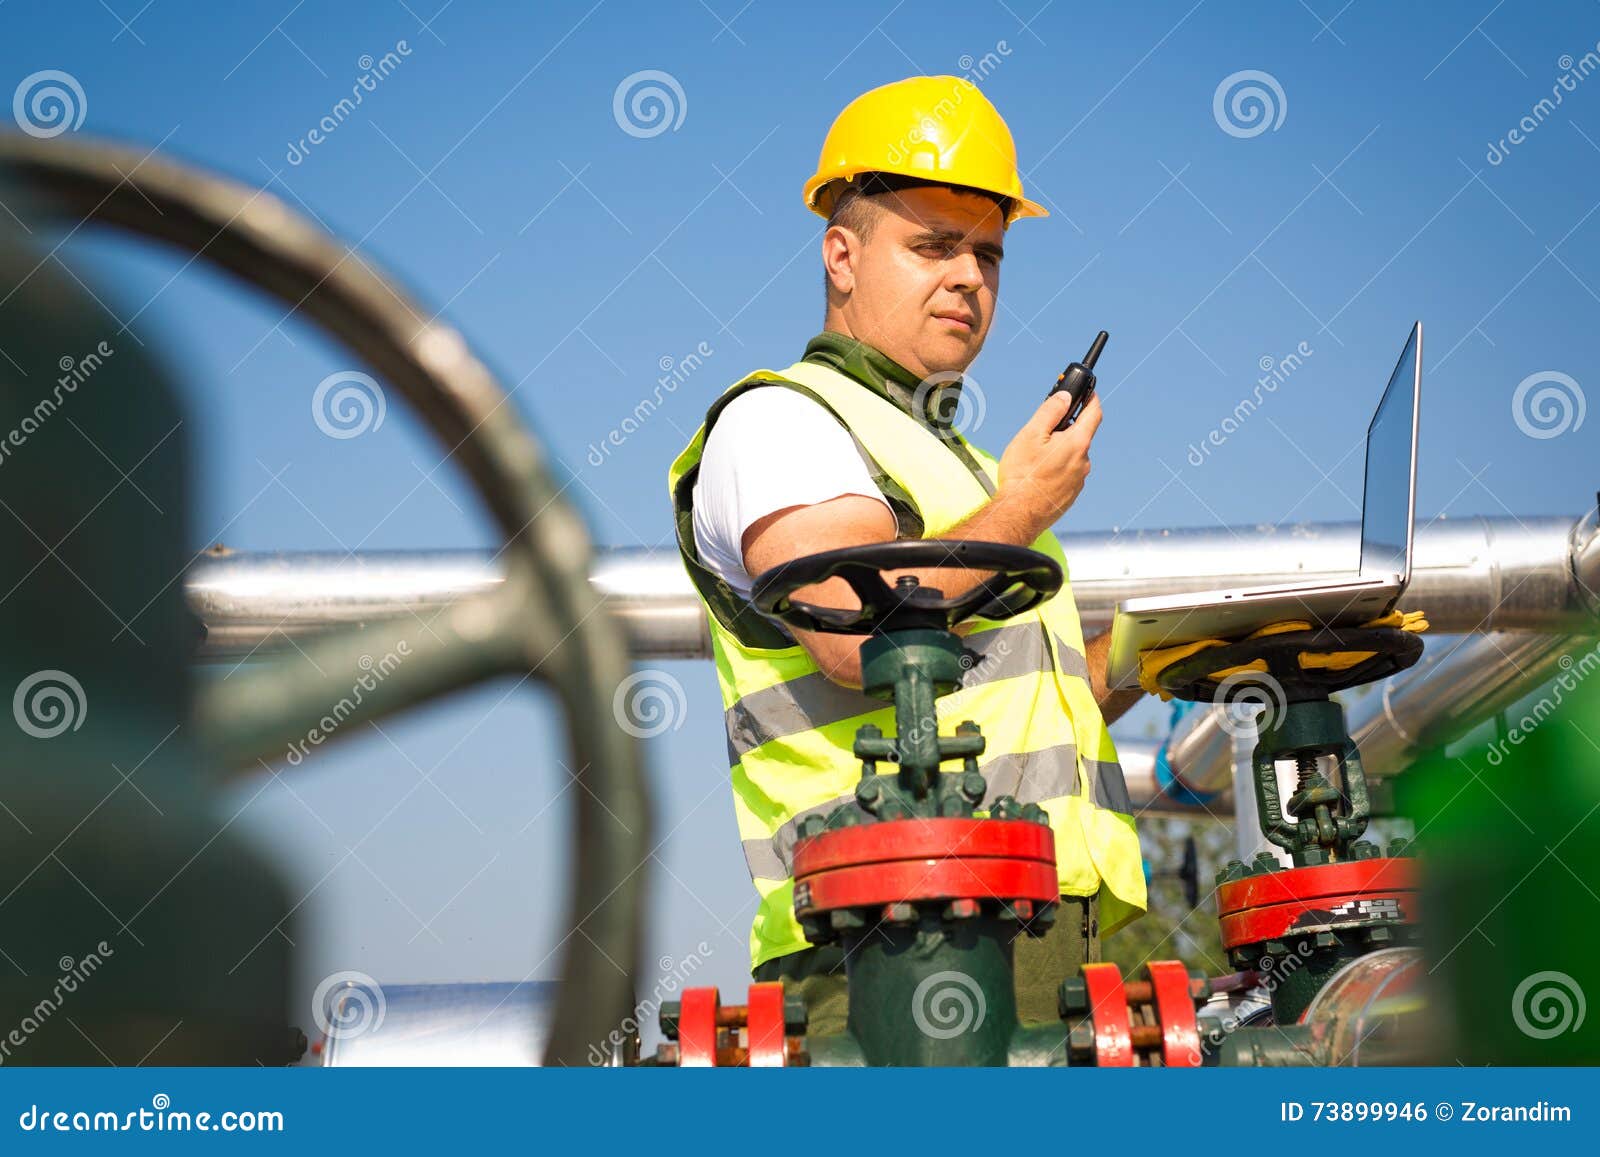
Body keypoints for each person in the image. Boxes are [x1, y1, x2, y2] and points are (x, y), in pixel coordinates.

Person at [666, 75, 1147, 1033]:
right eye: (933, 246)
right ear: (841, 256)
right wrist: (1017, 508)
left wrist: (1147, 661)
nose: (969, 276)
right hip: (883, 937)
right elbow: (857, 636)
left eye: (988, 254)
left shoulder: (960, 463)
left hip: (1033, 925)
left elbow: (997, 702)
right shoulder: (781, 421)